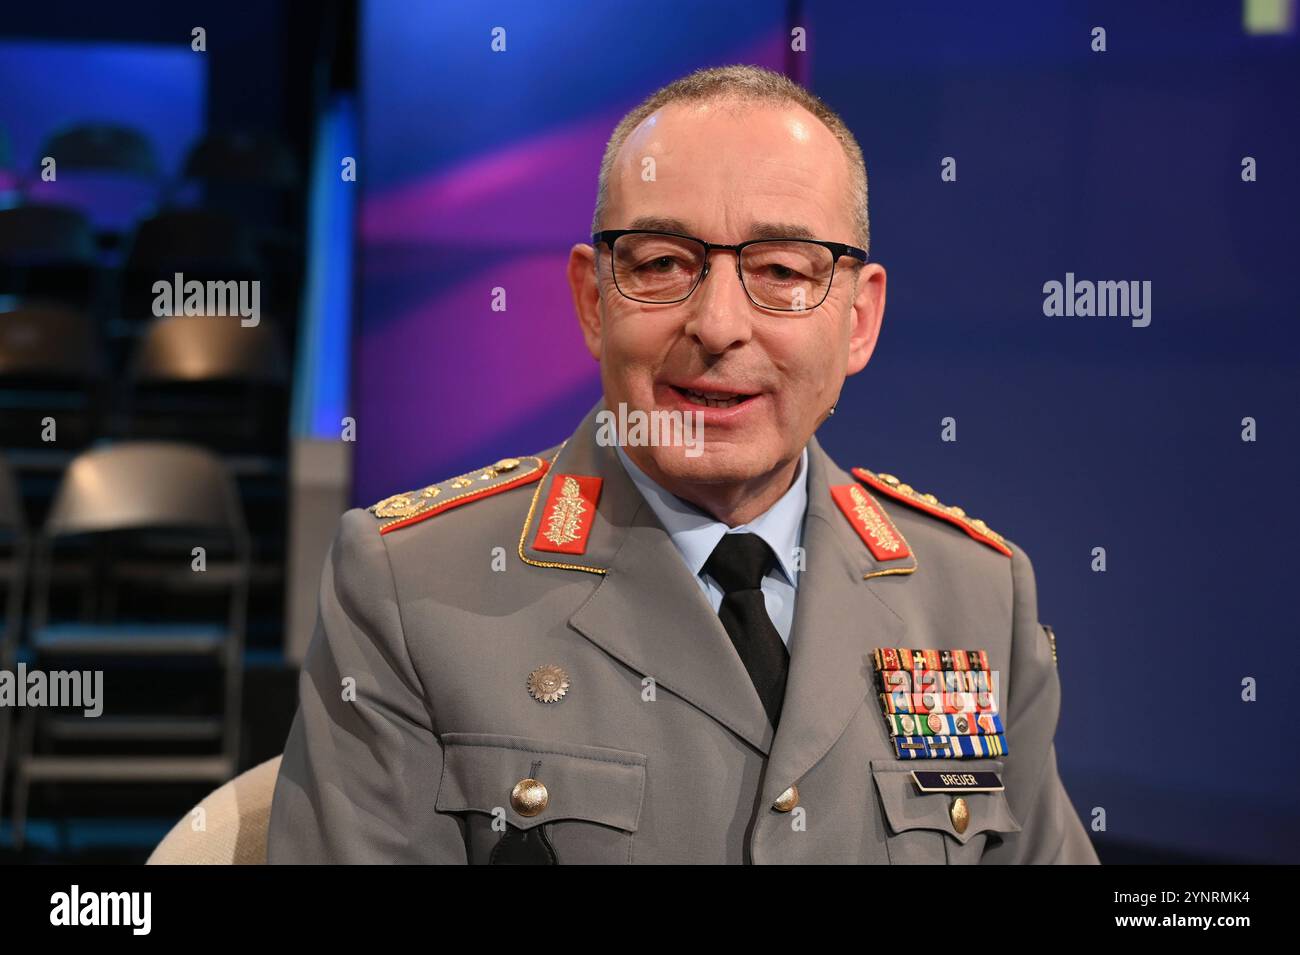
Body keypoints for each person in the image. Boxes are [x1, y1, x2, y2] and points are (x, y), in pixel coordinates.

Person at [268, 64, 1098, 864]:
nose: (718, 323)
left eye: (780, 270)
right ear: (595, 300)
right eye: (662, 263)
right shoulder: (409, 588)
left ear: (859, 319)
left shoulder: (977, 595)